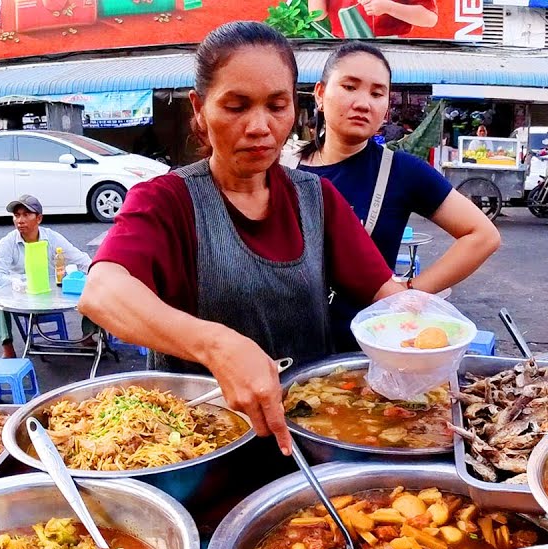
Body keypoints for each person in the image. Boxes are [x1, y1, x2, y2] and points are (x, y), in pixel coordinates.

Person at [79, 22, 406, 454]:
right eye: (236, 106)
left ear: (297, 107)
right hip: (197, 447)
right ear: (199, 108)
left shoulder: (315, 197)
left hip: (312, 439)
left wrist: (420, 333)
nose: (260, 126)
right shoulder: (165, 201)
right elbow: (102, 293)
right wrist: (216, 344)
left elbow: (385, 296)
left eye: (277, 105)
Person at [294, 41, 500, 349]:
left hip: (365, 351)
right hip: (287, 345)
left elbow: (483, 235)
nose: (363, 102)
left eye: (377, 94)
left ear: (385, 108)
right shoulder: (282, 168)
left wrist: (411, 292)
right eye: (350, 87)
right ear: (320, 94)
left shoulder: (401, 171)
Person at [0, 195, 93, 359]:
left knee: (95, 281)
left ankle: (89, 335)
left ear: (38, 218)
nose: (20, 220)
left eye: (26, 214)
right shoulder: (7, 242)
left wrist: (98, 274)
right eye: (17, 215)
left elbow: (81, 260)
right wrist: (20, 282)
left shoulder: (52, 238)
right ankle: (7, 346)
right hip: (22, 295)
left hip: (51, 293)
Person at [309, 0, 438, 38]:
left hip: (391, 50)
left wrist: (389, 7)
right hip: (344, 48)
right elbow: (317, 15)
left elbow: (429, 18)